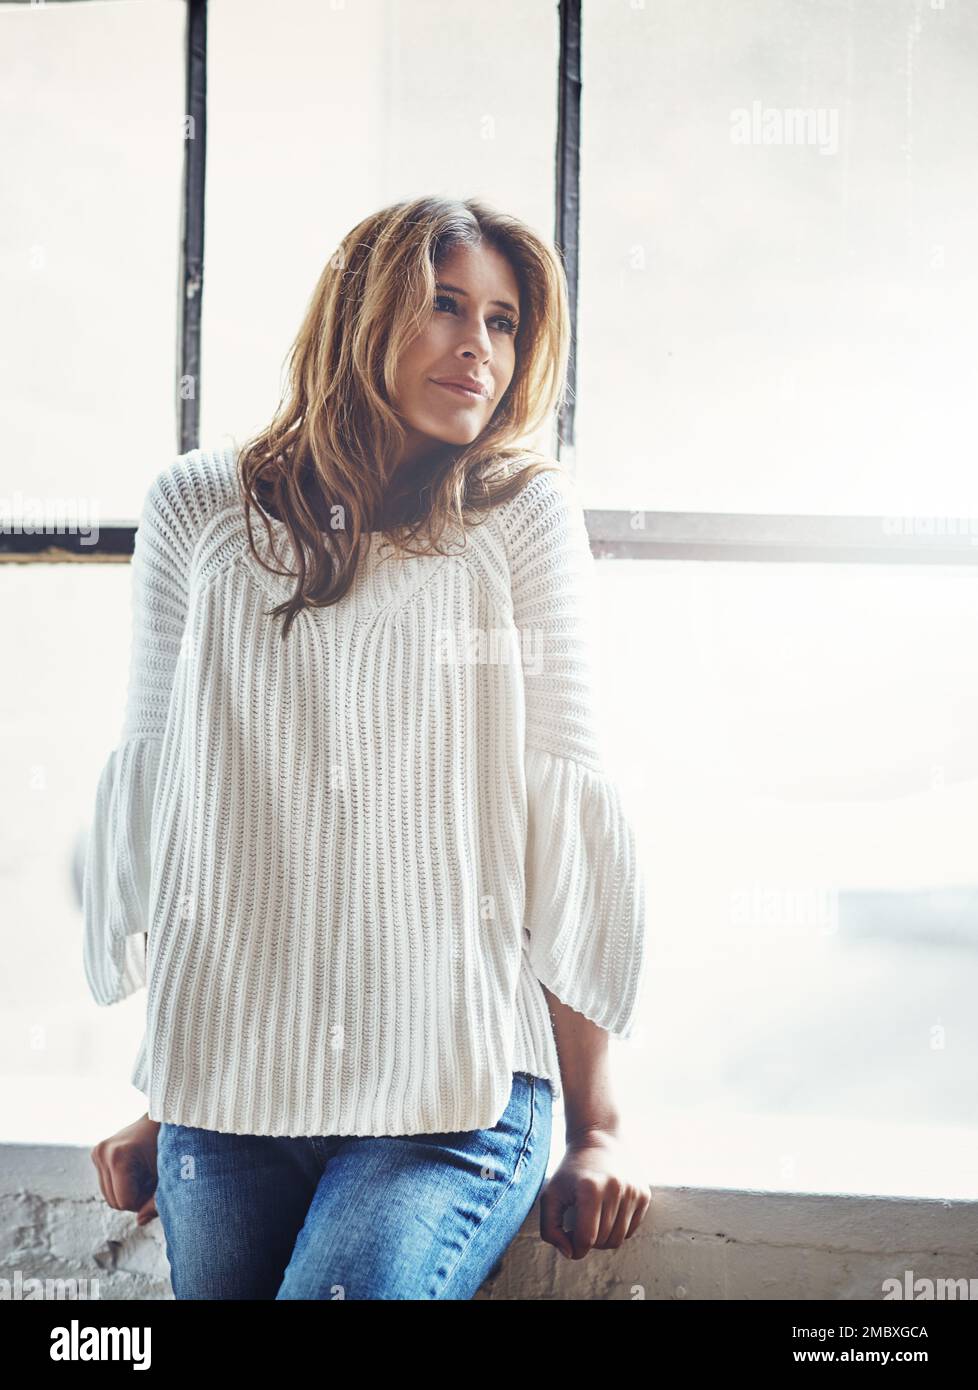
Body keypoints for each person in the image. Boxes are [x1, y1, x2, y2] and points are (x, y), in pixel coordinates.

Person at [84, 194, 650, 1299]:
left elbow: (561, 821)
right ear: (361, 313)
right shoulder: (197, 509)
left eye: (501, 322)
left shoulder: (521, 515)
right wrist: (170, 1085)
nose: (477, 348)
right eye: (445, 307)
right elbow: (180, 818)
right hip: (231, 1100)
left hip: (455, 1096)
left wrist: (600, 1128)